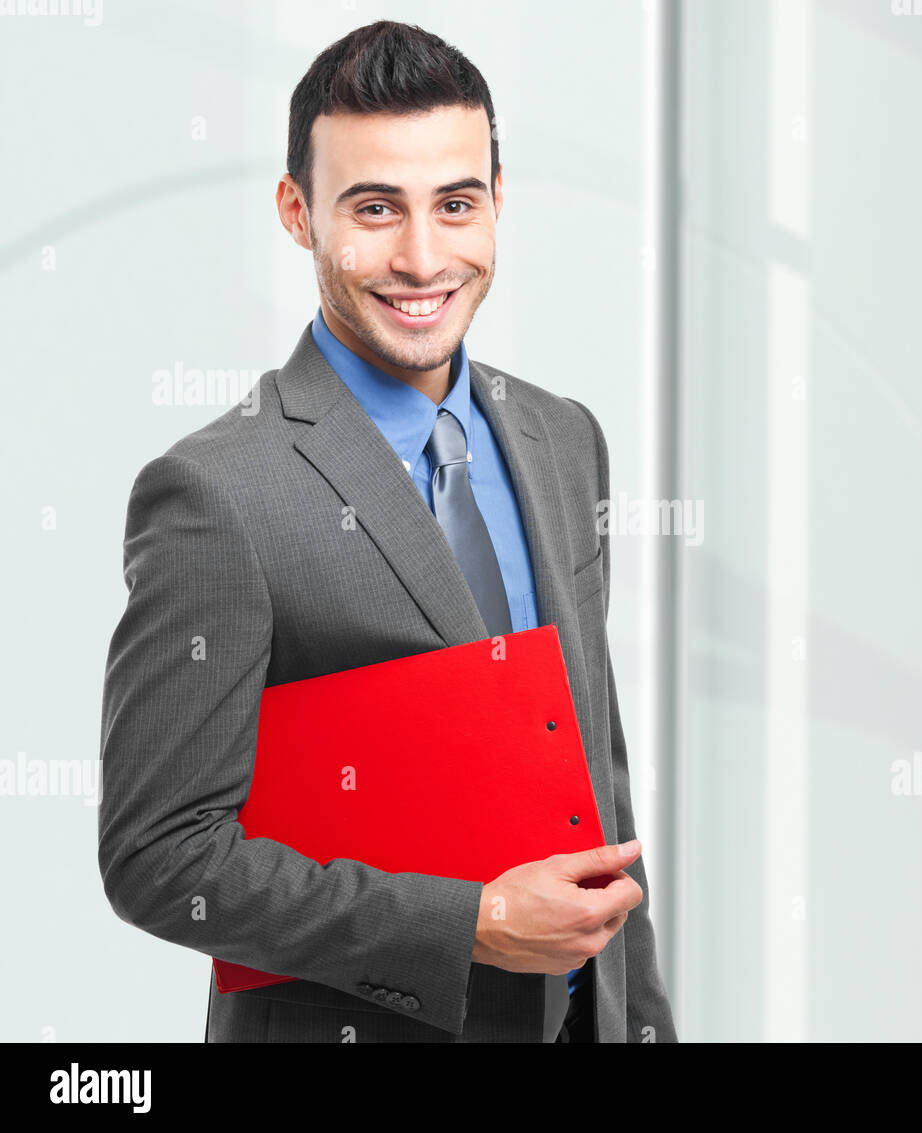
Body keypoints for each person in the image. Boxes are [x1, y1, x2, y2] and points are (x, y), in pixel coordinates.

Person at [97, 19, 676, 1044]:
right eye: (374, 208)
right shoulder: (216, 493)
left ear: (498, 199)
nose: (421, 258)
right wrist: (474, 922)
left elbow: (596, 774)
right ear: (297, 212)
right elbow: (161, 858)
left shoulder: (560, 436)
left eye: (454, 204)